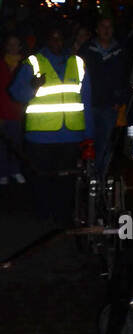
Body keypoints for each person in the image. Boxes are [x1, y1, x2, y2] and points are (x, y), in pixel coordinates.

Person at [9, 23, 93, 223]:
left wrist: (89, 136)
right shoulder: (33, 63)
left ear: (66, 40)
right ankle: (44, 214)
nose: (57, 42)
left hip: (71, 135)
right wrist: (32, 87)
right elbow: (15, 93)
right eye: (52, 38)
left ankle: (62, 215)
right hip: (41, 136)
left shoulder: (78, 63)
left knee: (67, 179)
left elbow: (86, 101)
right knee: (42, 178)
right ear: (46, 40)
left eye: (60, 38)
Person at [83, 15, 128, 176]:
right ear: (97, 29)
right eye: (103, 26)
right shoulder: (87, 50)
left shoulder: (120, 51)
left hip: (110, 106)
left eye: (109, 26)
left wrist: (119, 98)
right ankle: (88, 174)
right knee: (89, 142)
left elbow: (125, 77)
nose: (106, 30)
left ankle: (100, 177)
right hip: (90, 104)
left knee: (105, 143)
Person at [0, 32, 26, 184]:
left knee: (16, 144)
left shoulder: (25, 65)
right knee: (2, 144)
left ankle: (15, 170)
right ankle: (3, 172)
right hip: (2, 111)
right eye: (10, 44)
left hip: (18, 112)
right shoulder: (1, 64)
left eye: (16, 44)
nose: (13, 47)